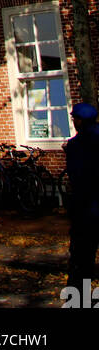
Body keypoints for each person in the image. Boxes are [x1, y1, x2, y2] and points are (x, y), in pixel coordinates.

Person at [63, 102, 99, 290]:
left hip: (86, 213)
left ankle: (80, 300)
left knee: (81, 262)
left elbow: (77, 176)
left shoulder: (76, 145)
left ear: (79, 121)